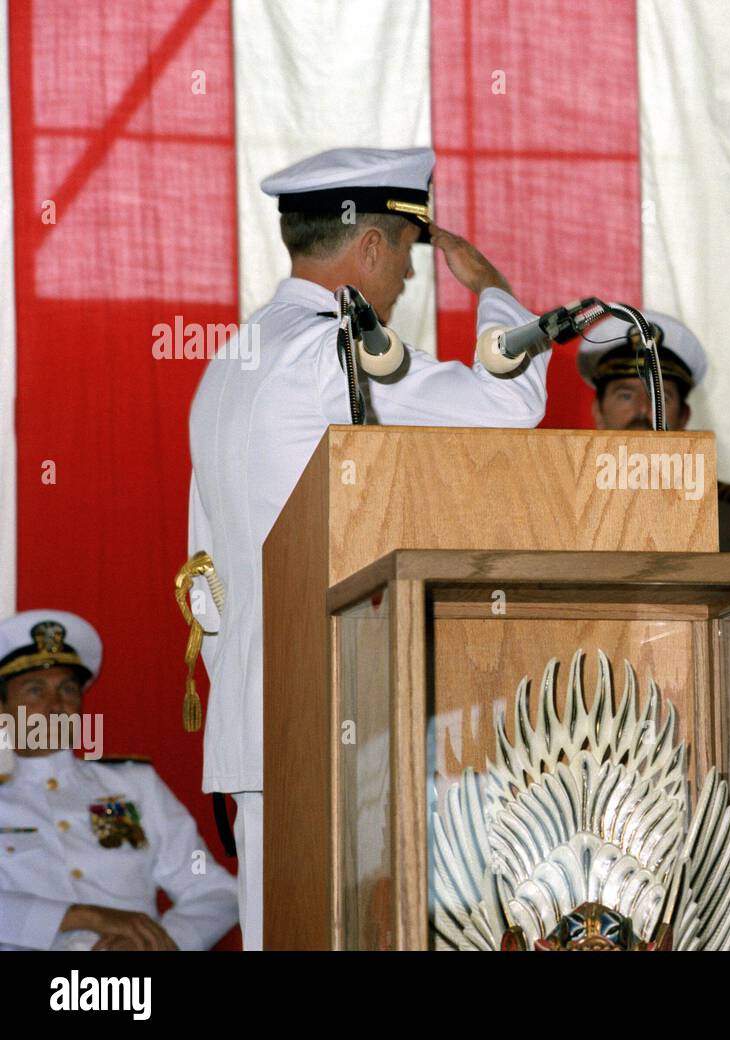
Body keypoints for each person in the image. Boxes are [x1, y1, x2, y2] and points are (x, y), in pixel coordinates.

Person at [186, 146, 549, 949]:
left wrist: (258, 686)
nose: (412, 280)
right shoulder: (333, 351)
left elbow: (203, 586)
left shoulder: (229, 362)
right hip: (340, 718)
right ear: (372, 247)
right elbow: (509, 405)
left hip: (260, 722)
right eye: (411, 255)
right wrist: (493, 291)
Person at [0, 610, 238, 951]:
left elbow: (215, 891)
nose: (55, 706)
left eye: (67, 689)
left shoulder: (135, 786)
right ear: (3, 708)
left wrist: (153, 943)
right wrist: (82, 916)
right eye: (35, 690)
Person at [578, 311, 730, 551]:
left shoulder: (727, 511)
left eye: (659, 397)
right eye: (625, 395)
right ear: (598, 411)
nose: (642, 409)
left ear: (684, 417)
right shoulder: (567, 499)